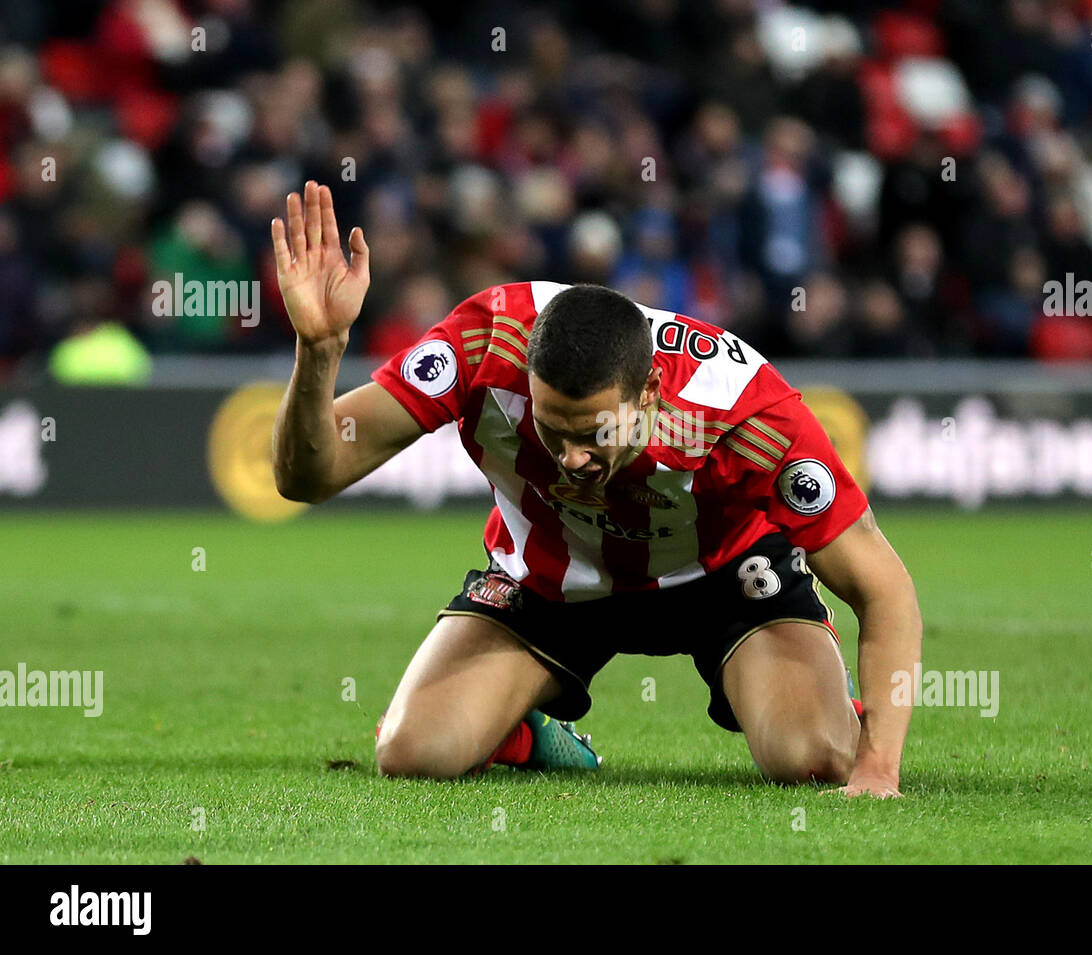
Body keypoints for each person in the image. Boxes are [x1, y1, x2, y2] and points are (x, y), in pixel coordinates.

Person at [270, 182, 922, 797]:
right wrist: (319, 351)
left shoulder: (741, 409)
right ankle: (525, 733)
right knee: (413, 753)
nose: (572, 457)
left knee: (813, 760)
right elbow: (309, 475)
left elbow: (883, 585)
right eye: (552, 430)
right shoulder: (482, 344)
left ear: (650, 396)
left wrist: (878, 767)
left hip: (725, 575)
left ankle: (831, 701)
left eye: (593, 433)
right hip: (552, 577)